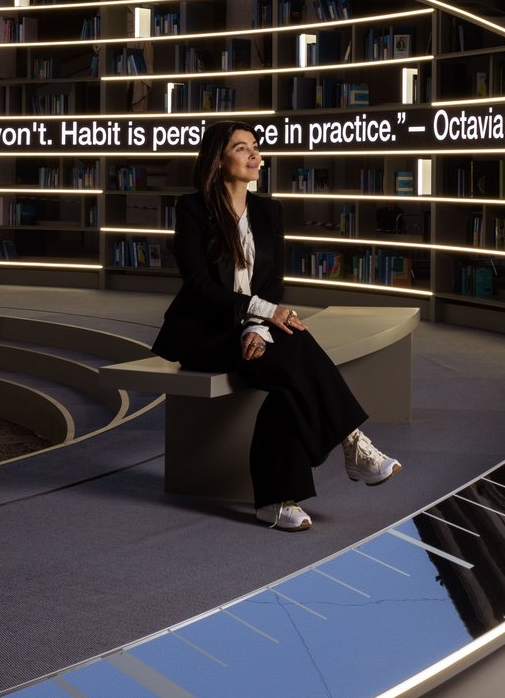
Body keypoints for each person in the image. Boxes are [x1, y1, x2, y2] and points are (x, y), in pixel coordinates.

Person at [153, 120, 403, 531]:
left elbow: (273, 282)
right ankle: (351, 444)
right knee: (297, 347)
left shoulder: (270, 211)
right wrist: (262, 314)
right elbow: (197, 285)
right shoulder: (193, 209)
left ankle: (276, 500)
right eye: (241, 148)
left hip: (252, 330)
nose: (255, 155)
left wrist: (258, 327)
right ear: (218, 159)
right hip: (206, 335)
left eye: (255, 146)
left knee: (290, 380)